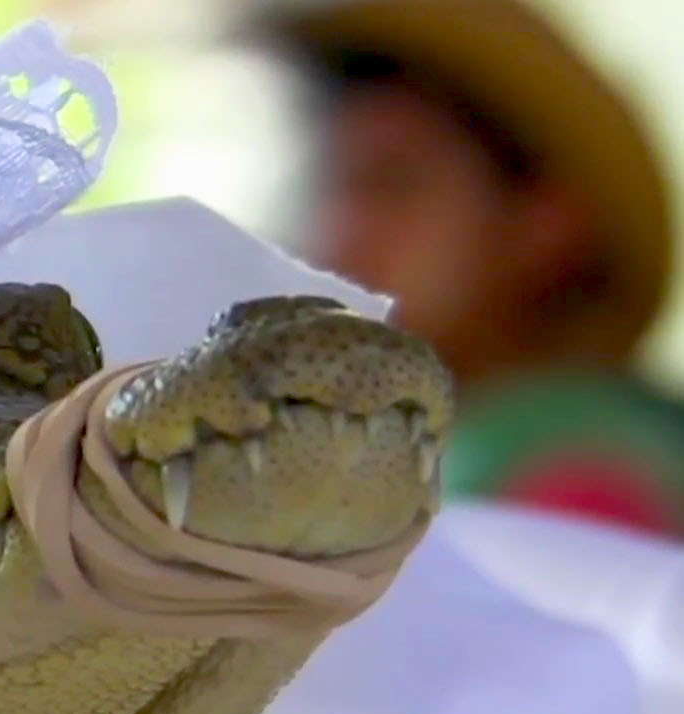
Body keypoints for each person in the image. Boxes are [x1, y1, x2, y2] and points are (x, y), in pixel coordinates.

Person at [246, 0, 684, 539]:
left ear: (547, 225)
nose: (340, 233)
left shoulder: (574, 479)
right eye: (333, 187)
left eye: (393, 184)